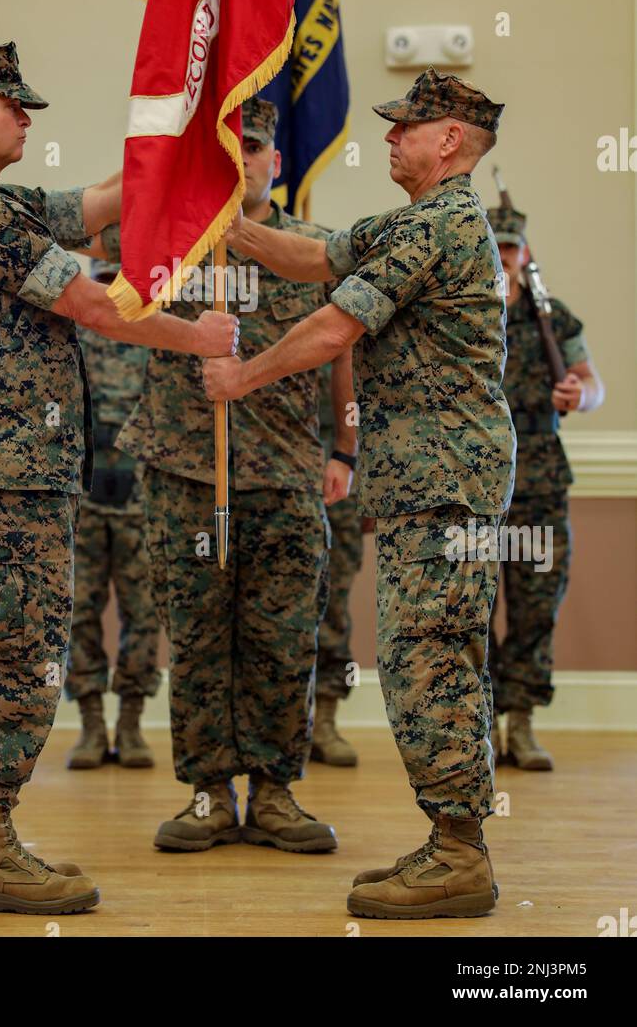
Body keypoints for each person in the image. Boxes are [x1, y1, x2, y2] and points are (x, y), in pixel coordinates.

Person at [0, 40, 238, 916]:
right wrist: (198, 338)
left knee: (15, 648)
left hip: (20, 470)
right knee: (8, 653)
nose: (27, 118)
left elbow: (95, 205)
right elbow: (94, 305)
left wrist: (182, 139)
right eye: (14, 105)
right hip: (3, 473)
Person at [204, 69, 516, 919]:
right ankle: (450, 840)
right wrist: (224, 223)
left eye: (405, 129)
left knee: (432, 660)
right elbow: (313, 256)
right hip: (428, 480)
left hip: (445, 480)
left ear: (449, 140)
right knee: (426, 655)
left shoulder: (444, 225)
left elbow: (333, 324)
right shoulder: (417, 222)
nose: (388, 138)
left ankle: (460, 853)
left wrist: (245, 376)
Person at [103, 96, 352, 855]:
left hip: (284, 472)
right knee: (200, 636)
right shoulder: (162, 241)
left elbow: (343, 349)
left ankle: (275, 793)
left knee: (283, 639)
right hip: (184, 469)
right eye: (226, 147)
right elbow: (114, 312)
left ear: (273, 163)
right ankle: (209, 791)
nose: (239, 160)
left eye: (252, 150)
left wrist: (343, 452)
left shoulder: (312, 247)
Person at [487, 205, 604, 770]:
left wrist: (581, 396)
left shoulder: (552, 319)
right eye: (497, 246)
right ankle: (479, 727)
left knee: (536, 605)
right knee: (472, 607)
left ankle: (522, 721)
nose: (505, 256)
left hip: (539, 479)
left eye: (513, 248)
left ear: (525, 254)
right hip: (478, 481)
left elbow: (592, 382)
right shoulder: (464, 311)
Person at [64, 261, 160, 770]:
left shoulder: (156, 322)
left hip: (141, 489)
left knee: (142, 612)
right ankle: (91, 724)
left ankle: (131, 721)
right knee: (79, 608)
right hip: (81, 486)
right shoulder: (73, 320)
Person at [312, 361, 363, 767]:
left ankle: (326, 719)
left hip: (340, 461)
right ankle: (284, 723)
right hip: (272, 458)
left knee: (334, 599)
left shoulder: (355, 303)